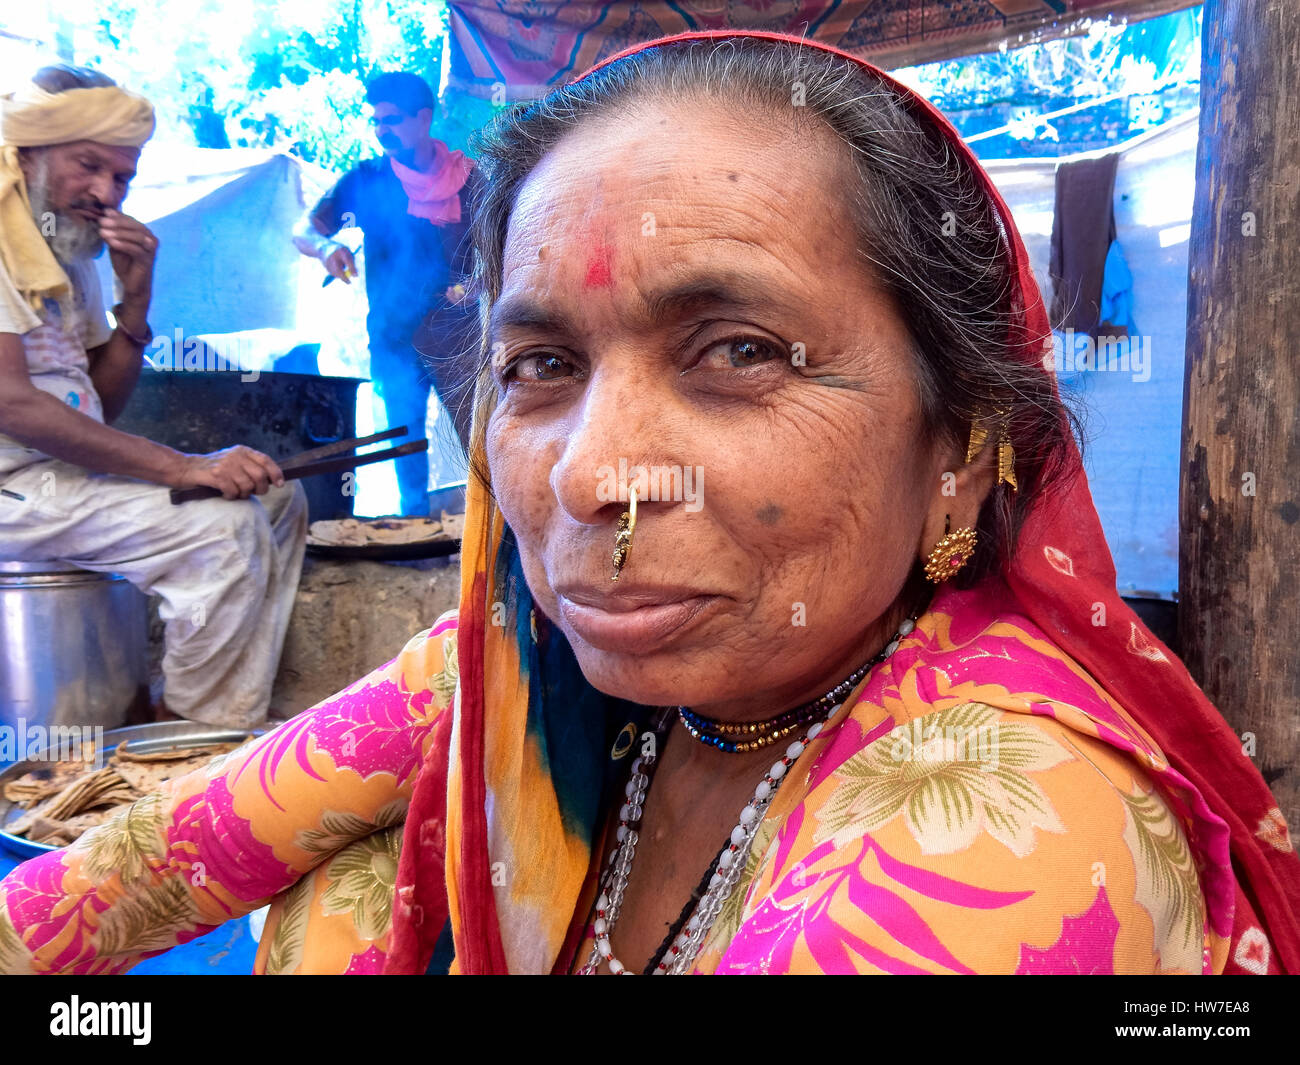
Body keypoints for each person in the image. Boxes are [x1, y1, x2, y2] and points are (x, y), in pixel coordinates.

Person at [3, 31, 1298, 975]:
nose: (588, 474)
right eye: (542, 367)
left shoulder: (1008, 820)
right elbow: (127, 875)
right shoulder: (519, 669)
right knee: (362, 871)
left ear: (959, 448)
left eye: (739, 350)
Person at [0, 65, 306, 730]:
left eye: (122, 177)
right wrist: (181, 466)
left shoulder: (65, 249)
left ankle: (213, 715)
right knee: (222, 531)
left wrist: (134, 304)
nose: (107, 192)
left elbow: (94, 407)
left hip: (53, 485)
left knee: (277, 496)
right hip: (11, 494)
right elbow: (13, 405)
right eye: (89, 165)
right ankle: (186, 756)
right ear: (28, 150)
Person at [293, 71, 481, 517]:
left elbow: (503, 245)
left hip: (460, 338)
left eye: (392, 120)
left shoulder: (470, 179)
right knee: (404, 439)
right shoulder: (367, 179)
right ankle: (413, 529)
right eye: (376, 121)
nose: (382, 131)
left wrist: (479, 282)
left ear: (424, 119)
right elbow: (304, 229)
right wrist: (327, 246)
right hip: (394, 337)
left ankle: (491, 535)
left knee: (482, 437)